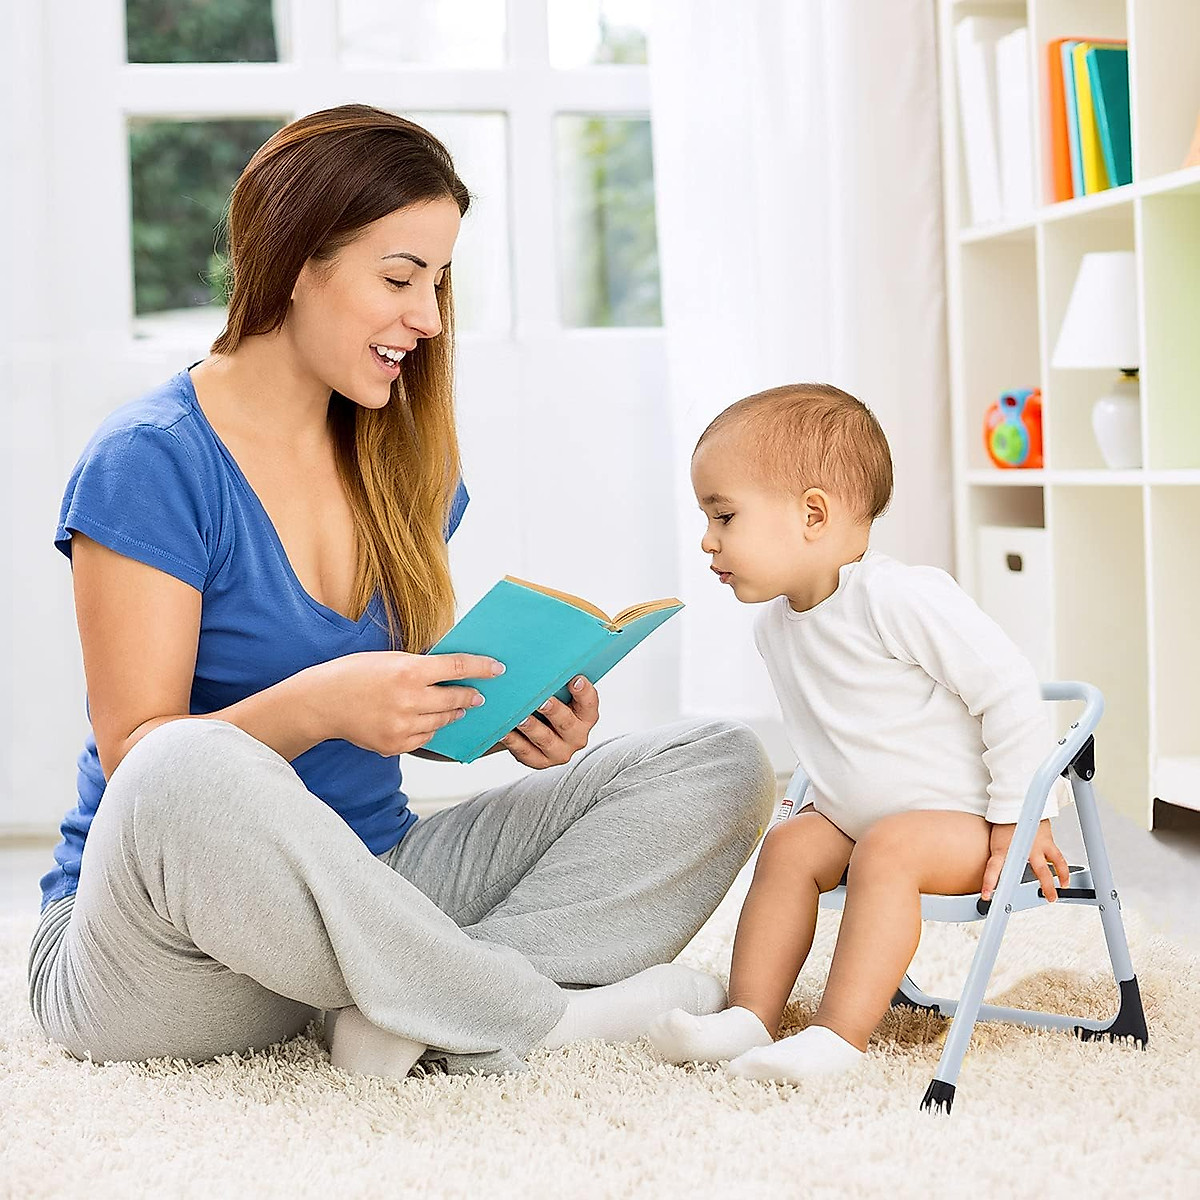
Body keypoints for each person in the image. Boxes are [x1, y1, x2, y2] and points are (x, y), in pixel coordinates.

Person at [27, 105, 776, 1080]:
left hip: (375, 889)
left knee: (720, 761)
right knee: (181, 764)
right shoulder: (152, 459)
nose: (429, 317)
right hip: (166, 953)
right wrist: (321, 705)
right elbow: (138, 759)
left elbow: (386, 713)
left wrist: (486, 719)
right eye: (399, 278)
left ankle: (402, 1011)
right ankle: (529, 1014)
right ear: (295, 260)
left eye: (438, 282)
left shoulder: (401, 456)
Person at [648, 383, 1069, 1083]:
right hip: (861, 820)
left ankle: (838, 1038)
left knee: (889, 849)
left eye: (724, 515)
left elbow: (1010, 691)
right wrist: (814, 803)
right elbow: (843, 734)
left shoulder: (897, 597)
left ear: (812, 514)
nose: (707, 539)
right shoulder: (776, 628)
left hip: (965, 823)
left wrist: (1018, 822)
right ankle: (750, 1015)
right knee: (789, 846)